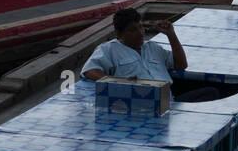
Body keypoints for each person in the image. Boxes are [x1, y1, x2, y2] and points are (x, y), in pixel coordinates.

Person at [82, 9, 220, 101]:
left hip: (168, 102)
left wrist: (171, 35)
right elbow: (90, 70)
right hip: (137, 102)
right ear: (119, 33)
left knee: (212, 92)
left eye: (140, 27)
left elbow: (181, 64)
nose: (140, 32)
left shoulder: (153, 47)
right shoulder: (109, 49)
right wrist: (118, 83)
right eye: (133, 30)